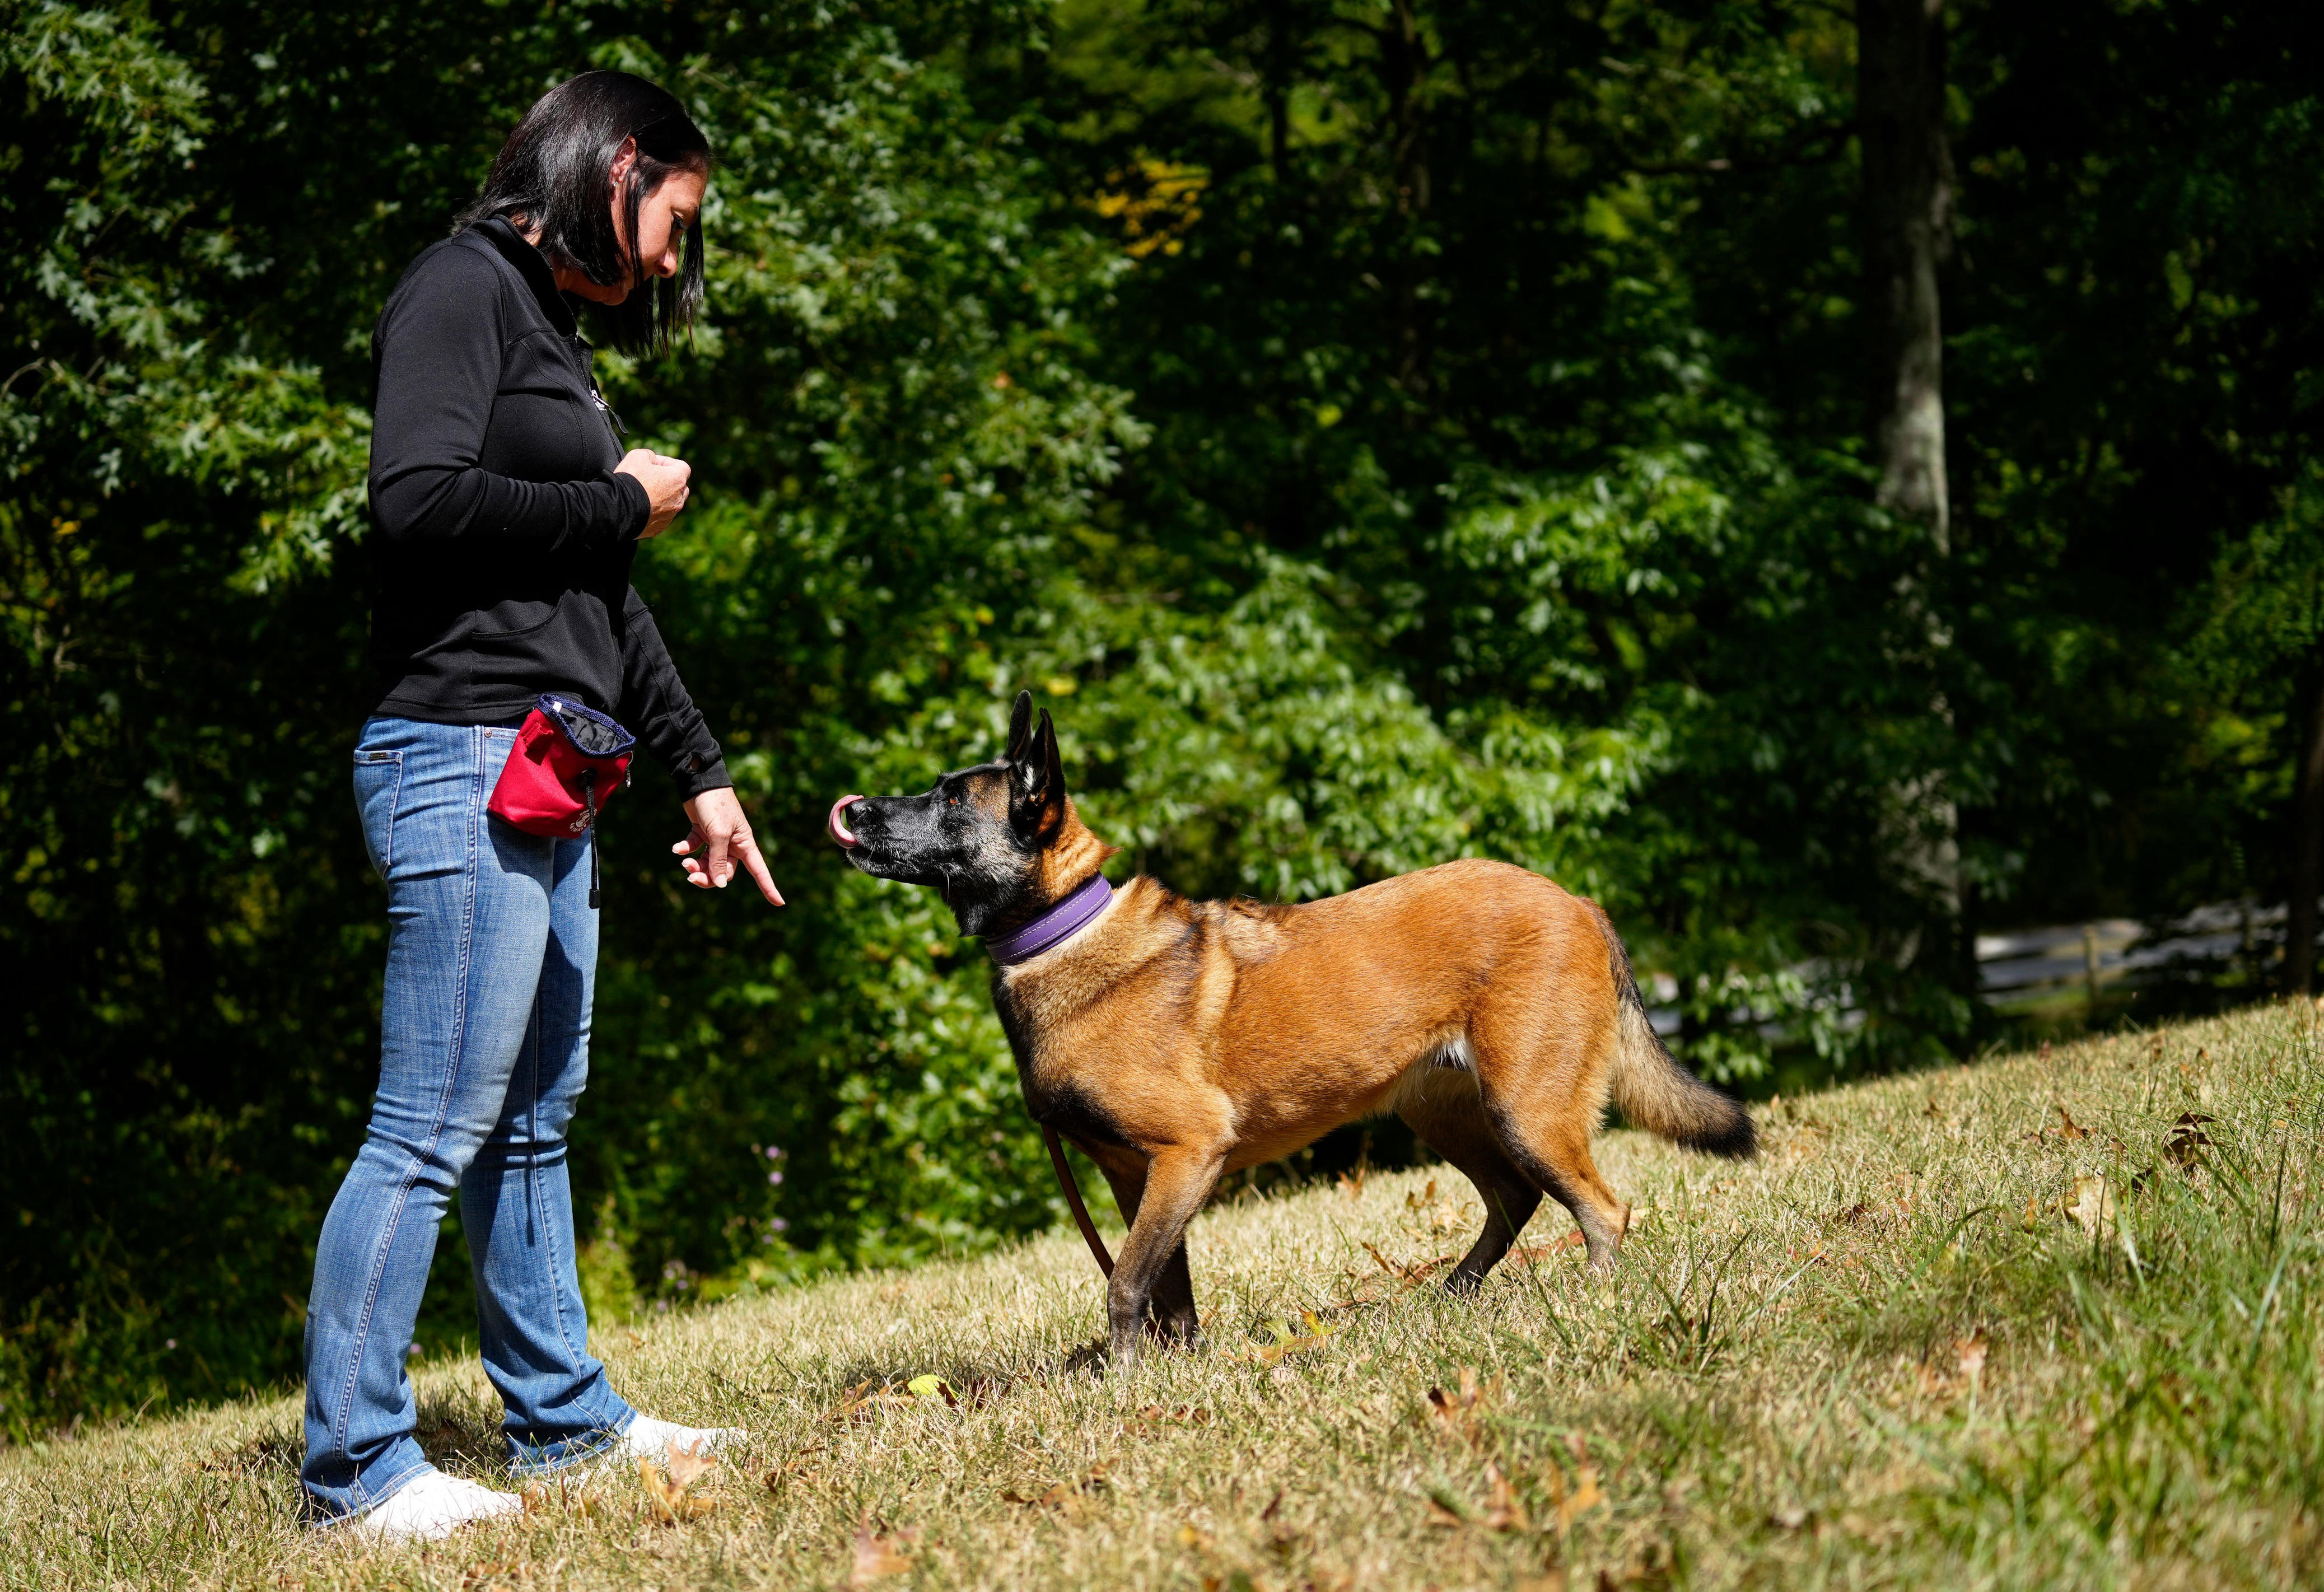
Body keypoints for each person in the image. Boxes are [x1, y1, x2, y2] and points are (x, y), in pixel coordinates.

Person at [301, 71, 777, 1541]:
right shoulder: (457, 291)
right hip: (452, 749)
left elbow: (600, 597)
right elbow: (415, 500)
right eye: (677, 219)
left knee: (533, 1121)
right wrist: (620, 500)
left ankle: (564, 1425)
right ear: (618, 163)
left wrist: (699, 767)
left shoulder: (552, 336)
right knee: (432, 1119)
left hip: (553, 764)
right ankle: (359, 1471)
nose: (674, 260)